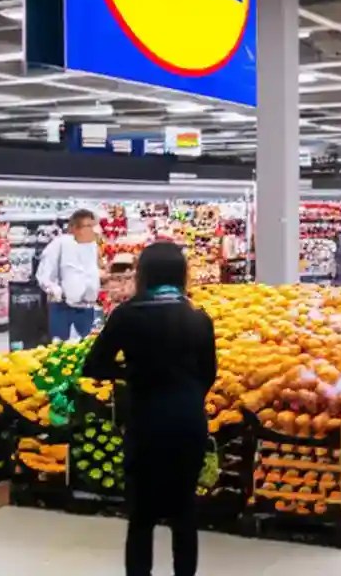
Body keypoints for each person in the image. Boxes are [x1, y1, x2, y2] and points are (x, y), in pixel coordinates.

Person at [82, 241, 216, 576]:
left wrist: (130, 373)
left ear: (143, 274)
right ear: (181, 274)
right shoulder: (199, 318)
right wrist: (185, 391)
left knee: (141, 516)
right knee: (184, 513)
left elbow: (93, 366)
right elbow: (208, 374)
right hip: (188, 422)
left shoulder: (127, 315)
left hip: (145, 422)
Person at [36, 208, 102, 342]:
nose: (93, 230)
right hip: (63, 308)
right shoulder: (59, 244)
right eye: (88, 226)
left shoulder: (92, 247)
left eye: (93, 226)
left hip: (87, 308)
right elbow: (44, 274)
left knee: (85, 347)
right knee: (62, 347)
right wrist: (56, 291)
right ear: (75, 228)